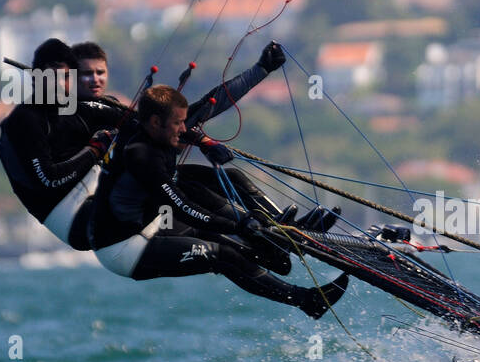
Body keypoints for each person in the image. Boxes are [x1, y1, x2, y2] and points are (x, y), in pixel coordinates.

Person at [89, 84, 348, 319]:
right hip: (123, 248)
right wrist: (237, 225)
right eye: (178, 124)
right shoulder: (141, 155)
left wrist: (206, 141)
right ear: (156, 122)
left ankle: (277, 245)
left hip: (148, 226)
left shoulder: (147, 130)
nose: (183, 129)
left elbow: (205, 107)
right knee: (223, 256)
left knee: (233, 214)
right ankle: (308, 301)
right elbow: (182, 207)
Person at [0, 38, 126, 250]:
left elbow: (131, 123)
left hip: (93, 198)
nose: (58, 84)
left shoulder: (78, 107)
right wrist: (95, 149)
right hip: (73, 221)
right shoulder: (24, 120)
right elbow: (48, 179)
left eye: (65, 77)